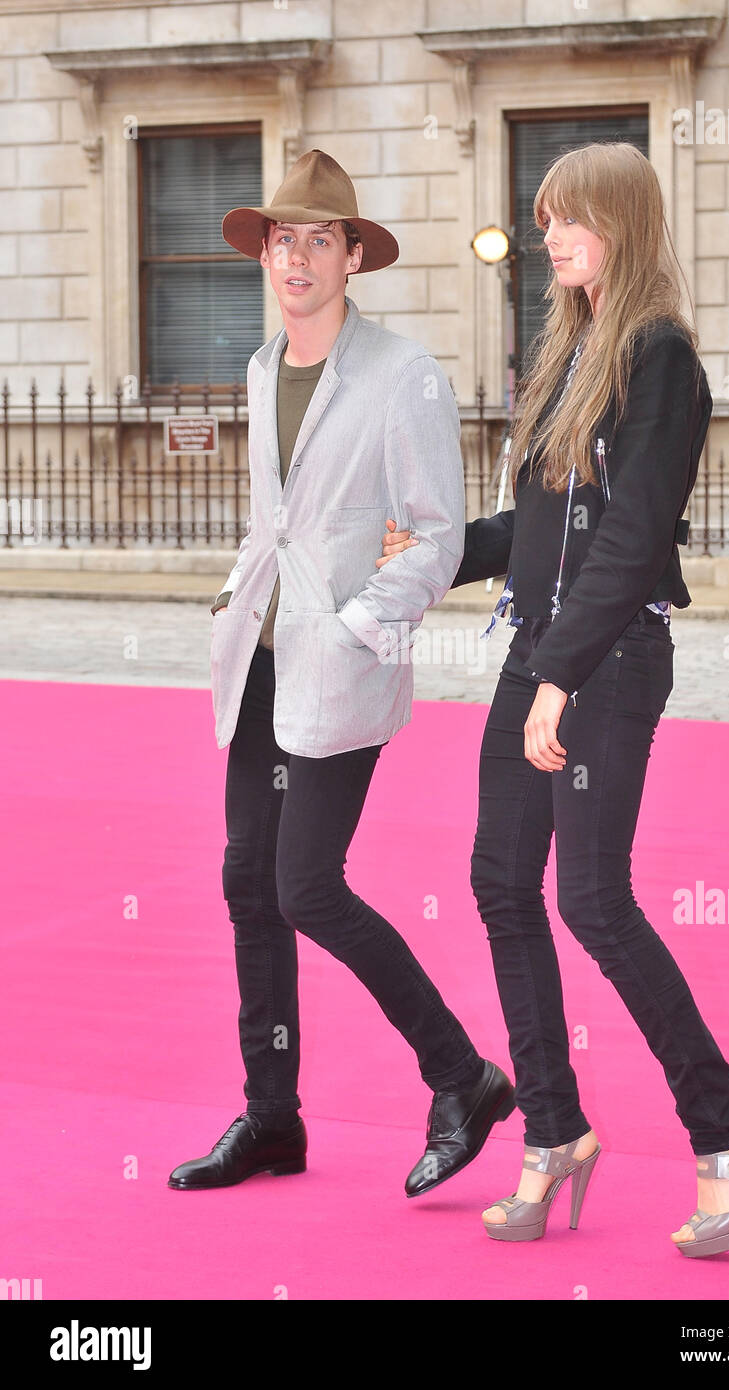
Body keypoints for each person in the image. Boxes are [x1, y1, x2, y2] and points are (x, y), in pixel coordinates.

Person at [378, 143, 729, 1254]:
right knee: (500, 882)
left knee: (593, 900)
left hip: (607, 661)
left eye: (572, 220)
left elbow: (629, 536)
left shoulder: (659, 361)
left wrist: (559, 677)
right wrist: (430, 555)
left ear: (625, 224)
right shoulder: (563, 356)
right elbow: (539, 534)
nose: (549, 236)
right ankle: (552, 1132)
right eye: (544, 218)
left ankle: (727, 1131)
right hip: (538, 649)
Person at [167, 149, 515, 1198]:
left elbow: (436, 532)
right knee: (248, 886)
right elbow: (275, 522)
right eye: (284, 238)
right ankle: (272, 1120)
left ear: (353, 257)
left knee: (307, 885)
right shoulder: (264, 365)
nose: (298, 256)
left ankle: (462, 1076)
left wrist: (368, 622)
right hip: (265, 662)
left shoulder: (402, 373)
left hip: (345, 664)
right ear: (264, 253)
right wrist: (239, 598)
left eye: (321, 239)